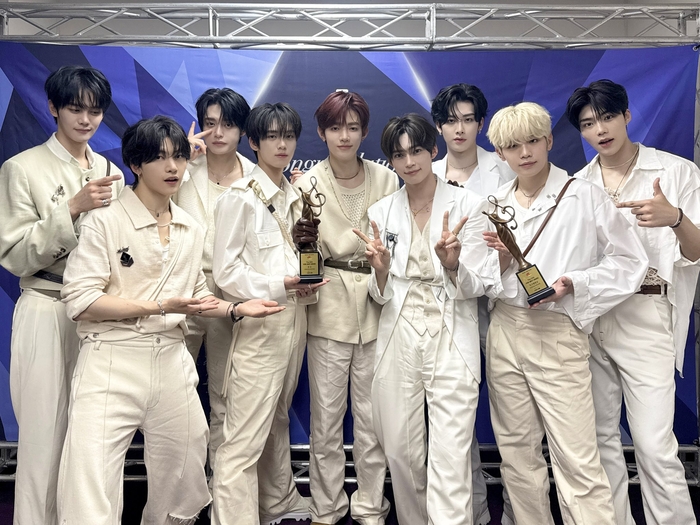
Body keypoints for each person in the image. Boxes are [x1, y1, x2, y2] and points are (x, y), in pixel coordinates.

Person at [56, 115, 283, 524]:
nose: (173, 167)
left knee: (184, 474)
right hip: (110, 359)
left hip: (171, 361)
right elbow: (81, 301)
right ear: (135, 164)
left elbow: (196, 295)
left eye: (179, 156)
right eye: (160, 158)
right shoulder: (104, 220)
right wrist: (159, 306)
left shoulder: (190, 227)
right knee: (89, 484)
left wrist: (235, 309)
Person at [483, 102, 648, 525]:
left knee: (577, 457)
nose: (525, 153)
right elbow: (475, 277)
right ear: (500, 153)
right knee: (517, 455)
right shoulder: (494, 203)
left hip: (557, 330)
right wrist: (497, 262)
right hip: (504, 328)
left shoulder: (584, 195)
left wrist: (575, 283)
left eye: (533, 141)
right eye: (513, 146)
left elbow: (630, 261)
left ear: (550, 140)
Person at [566, 79, 700, 525]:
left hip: (646, 312)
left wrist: (675, 218)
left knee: (654, 445)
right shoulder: (576, 185)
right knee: (599, 440)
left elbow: (697, 251)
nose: (600, 130)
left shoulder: (676, 172)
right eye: (588, 123)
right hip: (591, 317)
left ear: (626, 115)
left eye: (607, 117)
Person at [355, 113, 494, 525]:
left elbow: (481, 283)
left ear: (433, 151)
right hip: (398, 328)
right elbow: (379, 295)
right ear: (390, 162)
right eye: (399, 155)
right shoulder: (381, 211)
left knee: (450, 451)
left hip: (450, 327)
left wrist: (453, 265)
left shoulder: (468, 206)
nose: (409, 161)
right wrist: (381, 271)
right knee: (401, 449)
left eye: (416, 150)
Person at [0, 65, 123, 525]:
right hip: (47, 306)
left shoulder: (110, 170)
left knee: (90, 441)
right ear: (52, 108)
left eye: (95, 110)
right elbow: (15, 256)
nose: (86, 119)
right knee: (42, 439)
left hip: (99, 316)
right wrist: (71, 208)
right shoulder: (22, 167)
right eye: (75, 108)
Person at [212, 102, 328, 525]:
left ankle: (276, 501)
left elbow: (297, 260)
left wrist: (305, 281)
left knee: (277, 419)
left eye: (289, 136)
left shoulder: (297, 196)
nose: (282, 145)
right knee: (242, 438)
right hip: (259, 324)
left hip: (294, 320)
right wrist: (282, 284)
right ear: (254, 142)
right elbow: (226, 272)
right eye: (273, 136)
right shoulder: (239, 198)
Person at [294, 91, 398, 525]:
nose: (344, 136)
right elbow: (300, 252)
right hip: (328, 308)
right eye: (335, 127)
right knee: (326, 420)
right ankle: (327, 506)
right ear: (321, 132)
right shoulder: (305, 184)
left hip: (377, 306)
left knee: (373, 420)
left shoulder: (386, 179)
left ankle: (371, 506)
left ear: (364, 131)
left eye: (353, 127)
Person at [430, 83, 516, 525]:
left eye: (467, 119)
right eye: (450, 120)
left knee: (510, 417)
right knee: (454, 421)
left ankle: (519, 510)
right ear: (439, 127)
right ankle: (473, 510)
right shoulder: (426, 170)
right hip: (448, 306)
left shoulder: (505, 169)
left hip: (500, 305)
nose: (459, 129)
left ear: (481, 123)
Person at [174, 87, 256, 472]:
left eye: (228, 124)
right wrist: (181, 161)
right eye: (210, 124)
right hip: (182, 292)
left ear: (243, 129)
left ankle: (221, 487)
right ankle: (183, 489)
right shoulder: (181, 170)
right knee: (175, 394)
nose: (218, 133)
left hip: (231, 296)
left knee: (226, 395)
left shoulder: (256, 177)